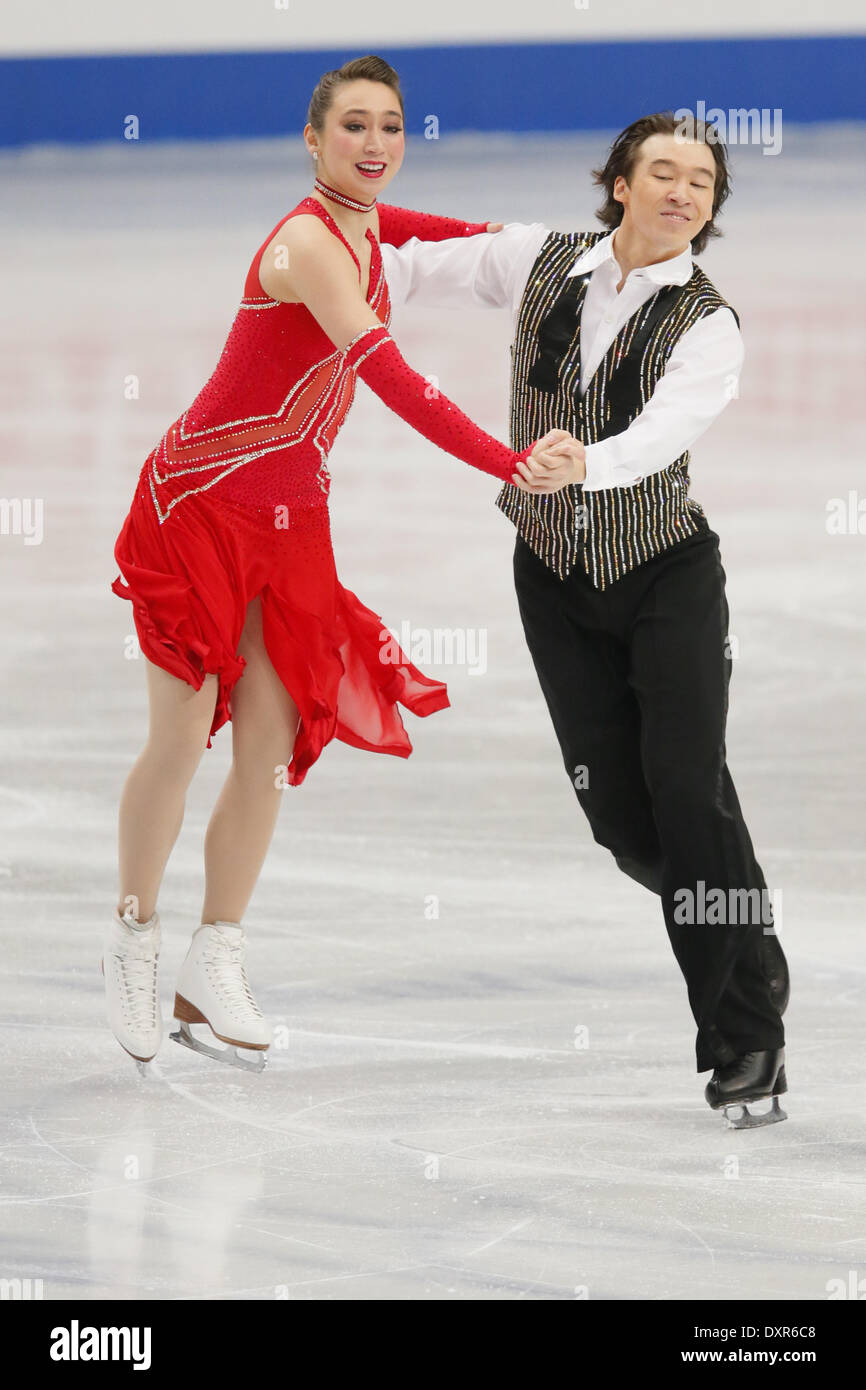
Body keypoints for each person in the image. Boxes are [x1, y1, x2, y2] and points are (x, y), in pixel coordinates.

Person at [105, 54, 578, 1076]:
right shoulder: (307, 244)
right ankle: (135, 937)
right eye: (353, 126)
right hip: (198, 507)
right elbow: (394, 380)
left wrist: (591, 253)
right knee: (183, 733)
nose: (374, 144)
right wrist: (509, 466)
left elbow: (466, 243)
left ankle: (212, 954)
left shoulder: (368, 226)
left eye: (391, 127)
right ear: (312, 140)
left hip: (289, 522)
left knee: (271, 746)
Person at [380, 111, 790, 1128]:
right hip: (552, 575)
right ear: (617, 183)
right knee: (622, 817)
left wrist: (583, 464)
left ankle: (742, 1039)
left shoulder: (707, 321)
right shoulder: (539, 258)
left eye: (700, 181)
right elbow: (416, 266)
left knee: (687, 795)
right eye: (661, 171)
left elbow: (662, 437)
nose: (680, 192)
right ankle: (746, 929)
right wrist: (327, 254)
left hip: (665, 576)